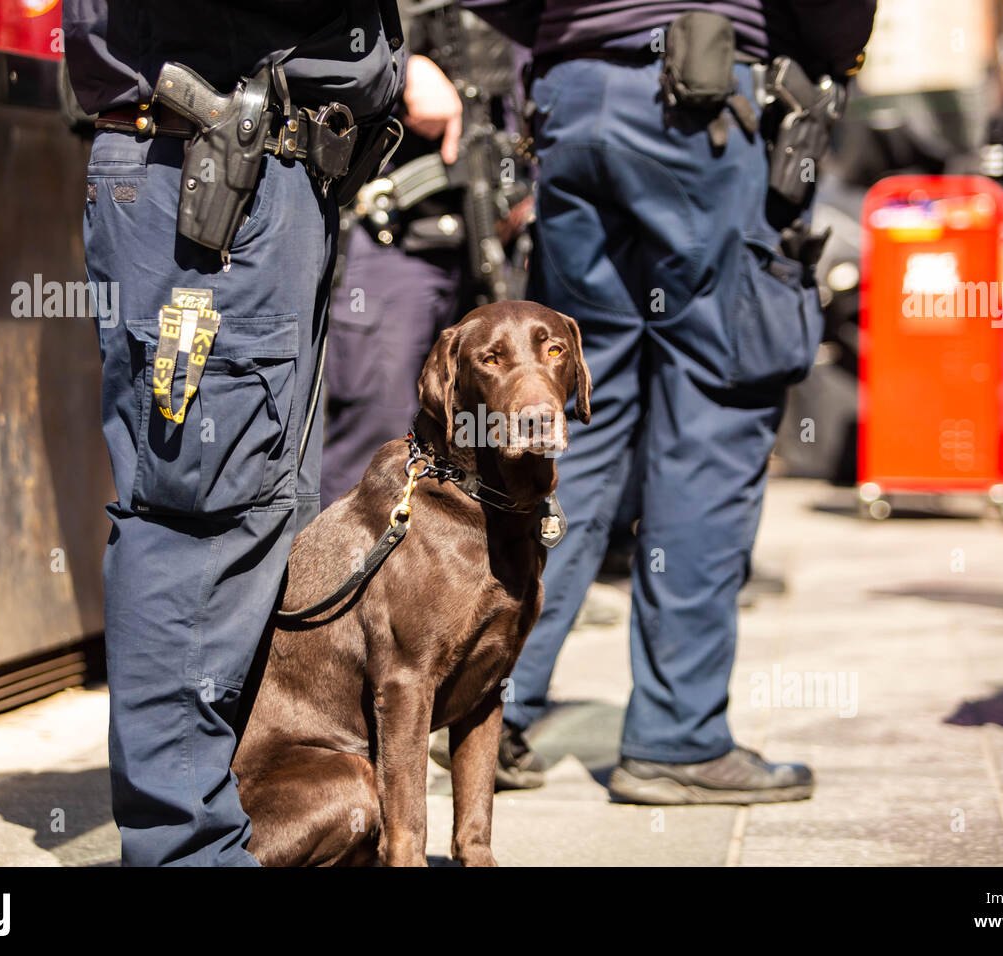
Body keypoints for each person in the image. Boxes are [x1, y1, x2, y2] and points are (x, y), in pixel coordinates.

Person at [465, 0, 875, 801]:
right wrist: (822, 49)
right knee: (712, 419)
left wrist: (577, 28)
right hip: (702, 101)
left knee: (574, 416)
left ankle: (492, 702)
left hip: (573, 99)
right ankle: (677, 737)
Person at [63, 0, 423, 865]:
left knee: (257, 510)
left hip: (266, 169)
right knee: (199, 516)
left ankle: (226, 821)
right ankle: (186, 850)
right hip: (212, 162)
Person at [322, 3, 529, 504]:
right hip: (391, 239)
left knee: (477, 450)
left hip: (483, 246)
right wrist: (402, 65)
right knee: (372, 452)